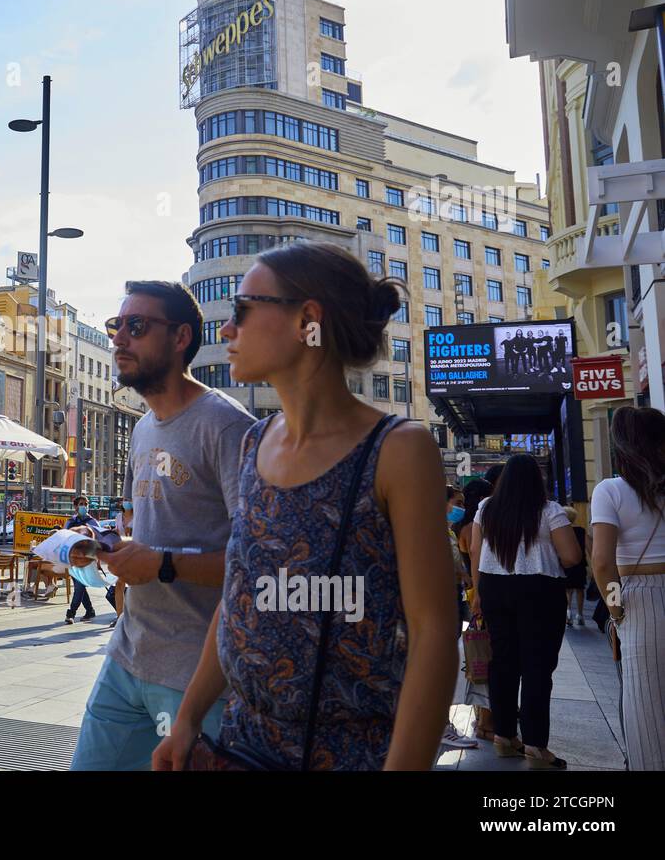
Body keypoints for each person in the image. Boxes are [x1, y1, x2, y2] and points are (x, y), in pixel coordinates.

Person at [149, 244, 458, 771]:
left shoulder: (398, 450)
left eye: (243, 310)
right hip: (242, 749)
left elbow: (433, 632)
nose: (227, 330)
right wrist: (187, 719)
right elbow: (239, 596)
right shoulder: (253, 442)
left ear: (307, 320)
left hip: (353, 756)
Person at [71, 279, 255, 771]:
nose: (119, 339)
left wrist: (163, 565)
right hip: (127, 655)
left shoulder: (227, 426)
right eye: (116, 326)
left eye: (136, 326)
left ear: (179, 338)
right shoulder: (142, 426)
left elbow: (254, 567)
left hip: (197, 676)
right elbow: (150, 535)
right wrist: (107, 548)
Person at [470, 453, 581, 769]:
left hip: (493, 587)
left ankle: (504, 736)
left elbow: (477, 551)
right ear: (538, 479)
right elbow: (571, 556)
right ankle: (535, 744)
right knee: (537, 666)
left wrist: (478, 593)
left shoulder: (486, 508)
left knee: (502, 662)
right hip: (539, 590)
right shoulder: (549, 510)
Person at [590, 406, 665, 770]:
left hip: (641, 600)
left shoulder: (611, 491)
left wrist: (616, 609)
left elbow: (602, 563)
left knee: (646, 712)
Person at [457, 477, 494, 741]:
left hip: (472, 594)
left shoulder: (460, 526)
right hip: (482, 593)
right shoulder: (476, 527)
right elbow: (475, 558)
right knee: (486, 656)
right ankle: (485, 720)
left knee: (479, 655)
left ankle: (483, 717)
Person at [441, 485, 477, 751]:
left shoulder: (446, 528)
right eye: (458, 502)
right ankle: (440, 725)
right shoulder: (432, 527)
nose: (461, 507)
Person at [64, 494, 101, 624]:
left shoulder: (92, 522)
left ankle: (71, 613)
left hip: (87, 560)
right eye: (81, 504)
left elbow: (98, 541)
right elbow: (64, 539)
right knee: (80, 587)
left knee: (79, 587)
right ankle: (90, 610)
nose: (84, 506)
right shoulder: (70, 522)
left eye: (86, 504)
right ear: (75, 507)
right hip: (73, 559)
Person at [562, 506, 588, 627]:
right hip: (580, 563)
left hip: (566, 563)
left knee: (568, 590)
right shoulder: (581, 531)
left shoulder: (562, 530)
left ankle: (568, 612)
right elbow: (589, 547)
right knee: (580, 589)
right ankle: (580, 614)